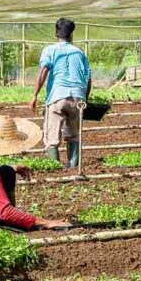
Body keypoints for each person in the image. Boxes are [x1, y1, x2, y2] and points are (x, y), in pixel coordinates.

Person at [30, 17, 92, 168]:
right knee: (74, 135)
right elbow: (88, 78)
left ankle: (55, 168)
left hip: (57, 97)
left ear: (56, 33)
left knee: (51, 136)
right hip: (78, 97)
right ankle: (72, 166)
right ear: (71, 35)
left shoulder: (49, 50)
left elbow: (44, 70)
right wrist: (85, 99)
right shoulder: (80, 53)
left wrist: (35, 95)